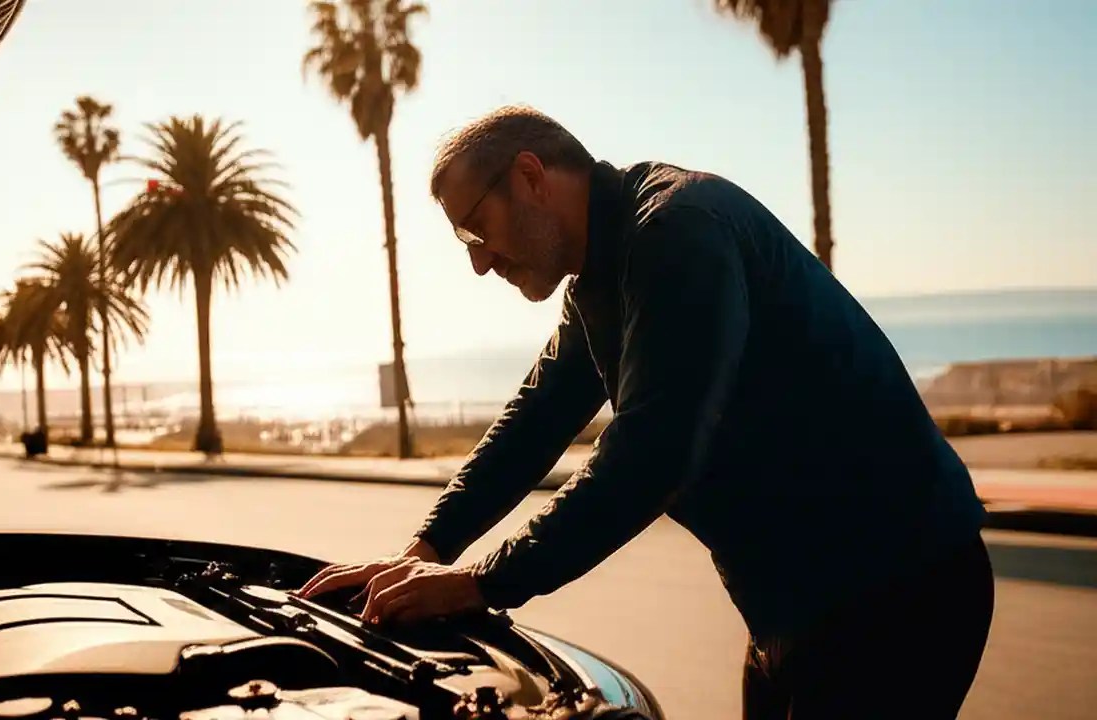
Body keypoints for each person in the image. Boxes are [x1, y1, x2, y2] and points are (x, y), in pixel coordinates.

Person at [297, 105, 994, 718]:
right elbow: (535, 419)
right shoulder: (599, 276)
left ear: (531, 177)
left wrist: (481, 583)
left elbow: (651, 453)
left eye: (475, 228)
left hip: (898, 595)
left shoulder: (678, 229)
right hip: (792, 612)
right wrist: (421, 553)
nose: (480, 263)